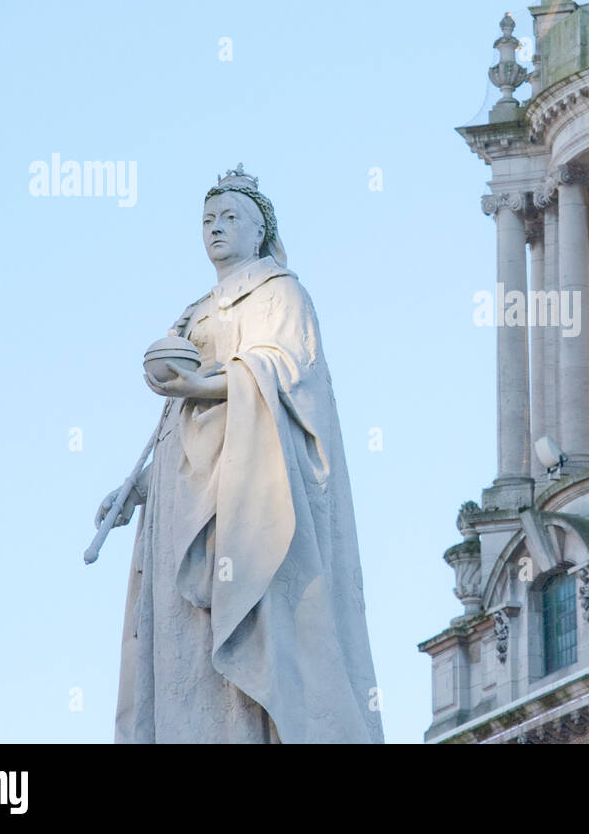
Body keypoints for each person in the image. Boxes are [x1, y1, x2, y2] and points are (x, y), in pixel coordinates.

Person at [95, 165, 383, 743]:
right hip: (182, 503)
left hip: (251, 492)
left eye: (231, 218)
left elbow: (288, 375)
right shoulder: (193, 314)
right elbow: (181, 427)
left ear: (260, 232)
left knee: (258, 627)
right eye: (207, 219)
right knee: (185, 653)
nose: (216, 228)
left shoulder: (281, 294)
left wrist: (201, 384)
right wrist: (143, 484)